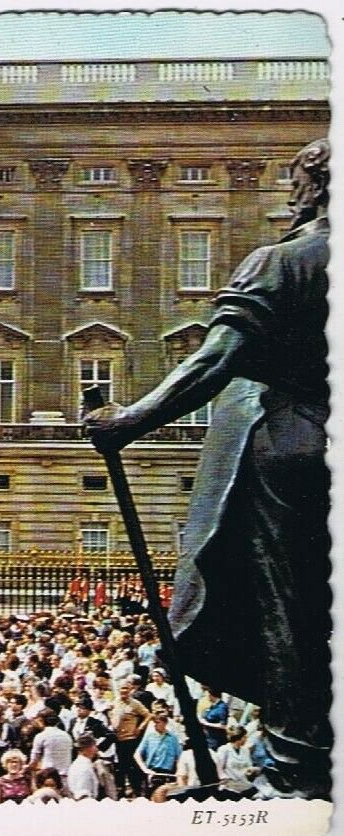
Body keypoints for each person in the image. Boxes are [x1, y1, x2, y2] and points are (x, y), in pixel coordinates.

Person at [85, 138, 331, 799]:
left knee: (293, 614)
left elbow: (213, 360)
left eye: (297, 185)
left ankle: (295, 767)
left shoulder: (285, 261)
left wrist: (126, 422)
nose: (290, 196)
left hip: (292, 452)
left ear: (314, 188)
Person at [134, 711, 182, 798]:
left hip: (168, 773)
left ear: (165, 723)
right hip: (152, 771)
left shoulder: (173, 738)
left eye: (158, 722)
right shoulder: (149, 736)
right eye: (154, 723)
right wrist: (145, 769)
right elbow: (137, 754)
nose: (155, 725)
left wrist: (178, 772)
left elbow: (179, 757)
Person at [66, 733, 101, 800]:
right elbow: (83, 795)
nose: (96, 750)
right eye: (94, 746)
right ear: (88, 748)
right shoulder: (83, 767)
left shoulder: (81, 764)